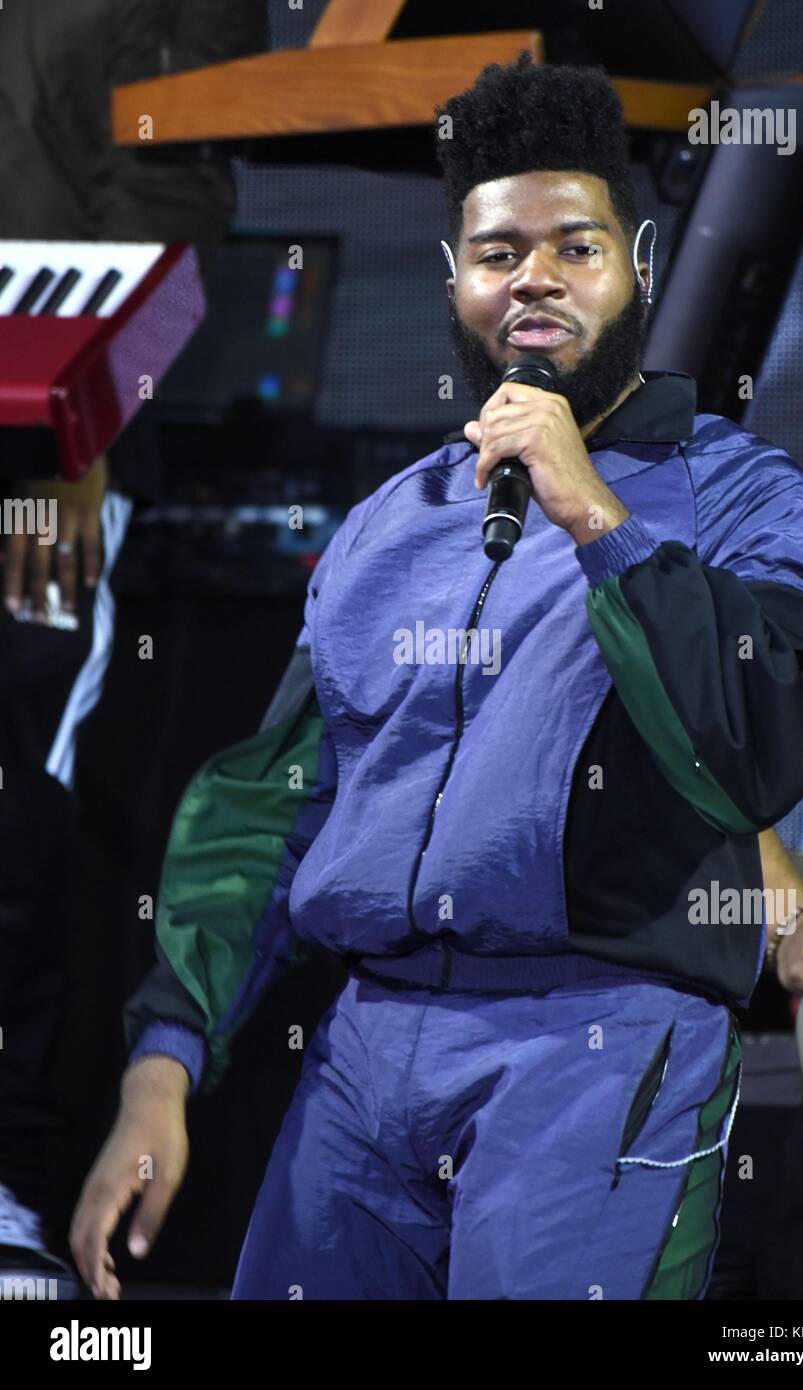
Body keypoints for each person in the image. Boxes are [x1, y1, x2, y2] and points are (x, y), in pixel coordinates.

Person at [70, 55, 803, 1301]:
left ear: (640, 267)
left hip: (599, 1043)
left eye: (574, 245)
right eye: (499, 253)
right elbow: (273, 802)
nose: (534, 279)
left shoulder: (744, 499)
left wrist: (593, 514)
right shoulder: (391, 524)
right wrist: (161, 1063)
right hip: (361, 1058)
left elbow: (759, 748)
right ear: (454, 283)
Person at [0, 0, 267, 1283]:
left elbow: (168, 203)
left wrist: (71, 440)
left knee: (13, 808)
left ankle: (3, 1177)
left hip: (39, 448)